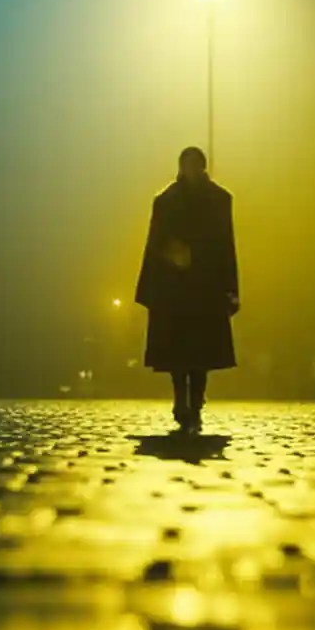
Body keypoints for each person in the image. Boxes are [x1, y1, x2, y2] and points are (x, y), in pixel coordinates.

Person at [135, 146, 239, 431]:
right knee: (178, 351)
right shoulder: (166, 201)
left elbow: (227, 247)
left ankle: (196, 398)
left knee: (201, 351)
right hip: (176, 286)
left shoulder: (219, 200)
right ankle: (182, 398)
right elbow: (155, 242)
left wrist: (230, 287)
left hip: (205, 286)